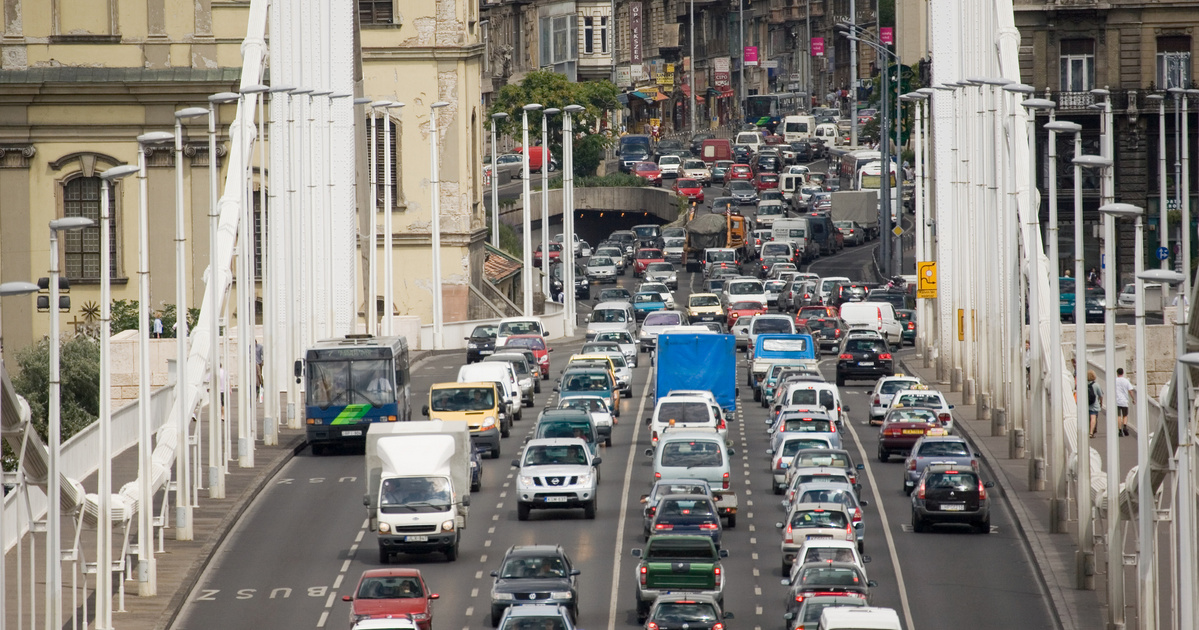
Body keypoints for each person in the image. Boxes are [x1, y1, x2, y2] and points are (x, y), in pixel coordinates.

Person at [1114, 367, 1135, 436]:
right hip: (1124, 400)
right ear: (1123, 373)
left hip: (1117, 400)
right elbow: (1130, 390)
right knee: (1125, 415)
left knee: (1118, 416)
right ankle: (1125, 426)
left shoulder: (1114, 380)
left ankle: (1120, 430)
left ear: (1117, 373)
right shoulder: (1126, 381)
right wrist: (1133, 398)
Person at [1087, 370, 1103, 438]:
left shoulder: (1084, 384)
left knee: (1087, 419)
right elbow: (1100, 395)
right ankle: (1091, 433)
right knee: (1093, 418)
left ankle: (1086, 431)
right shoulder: (1096, 385)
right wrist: (1101, 403)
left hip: (1086, 404)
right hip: (1094, 404)